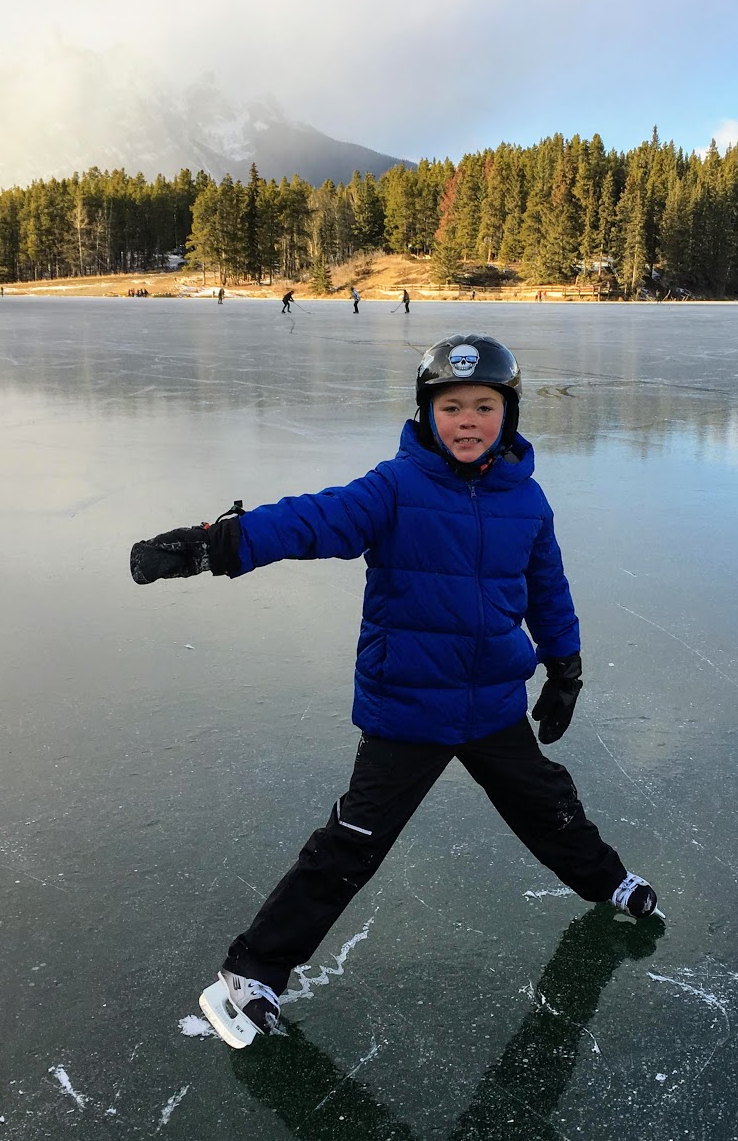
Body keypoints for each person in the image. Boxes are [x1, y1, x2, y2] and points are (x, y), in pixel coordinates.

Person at [129, 334, 660, 1048]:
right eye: (450, 407)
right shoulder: (396, 489)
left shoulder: (526, 503)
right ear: (426, 414)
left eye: (482, 406)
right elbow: (313, 519)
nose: (467, 422)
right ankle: (251, 972)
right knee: (351, 843)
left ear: (508, 413)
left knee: (549, 806)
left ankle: (610, 882)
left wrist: (565, 667)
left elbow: (547, 590)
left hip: (493, 705)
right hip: (409, 709)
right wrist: (214, 543)